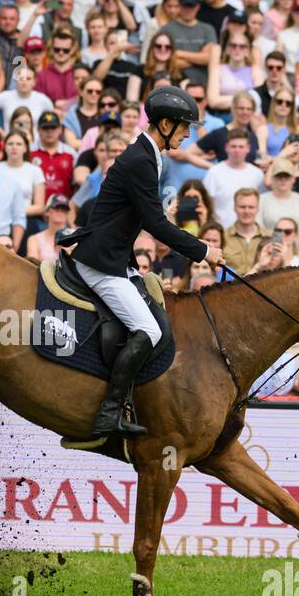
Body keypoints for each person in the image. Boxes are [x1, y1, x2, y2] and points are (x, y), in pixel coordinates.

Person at [61, 86, 225, 435]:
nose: (188, 133)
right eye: (184, 127)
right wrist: (204, 251)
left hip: (116, 258)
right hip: (100, 263)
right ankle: (109, 411)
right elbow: (155, 225)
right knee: (149, 330)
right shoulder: (141, 159)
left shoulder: (149, 154)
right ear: (165, 124)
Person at [204, 129, 265, 228]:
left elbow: (261, 204)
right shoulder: (214, 172)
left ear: (248, 148)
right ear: (226, 147)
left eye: (241, 147)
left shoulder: (257, 174)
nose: (237, 150)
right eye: (233, 146)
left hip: (250, 232)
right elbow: (208, 205)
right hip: (222, 231)